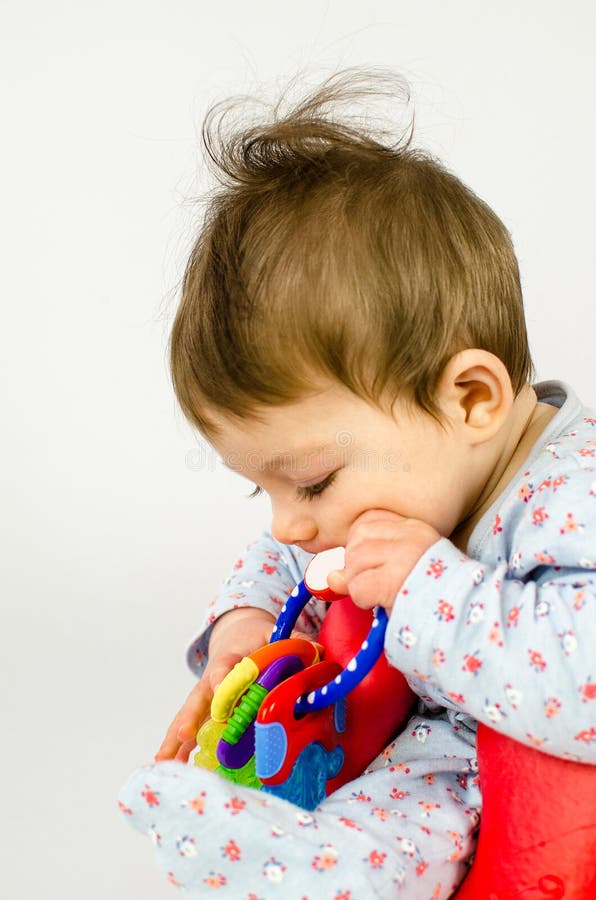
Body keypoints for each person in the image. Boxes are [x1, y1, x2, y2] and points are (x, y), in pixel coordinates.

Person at [119, 70, 596, 898]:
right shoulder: (420, 471)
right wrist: (247, 616)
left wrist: (429, 593)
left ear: (472, 398)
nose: (292, 523)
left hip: (503, 764)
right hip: (416, 740)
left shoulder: (572, 498)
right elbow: (300, 555)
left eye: (311, 482)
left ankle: (299, 868)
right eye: (259, 489)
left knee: (398, 839)